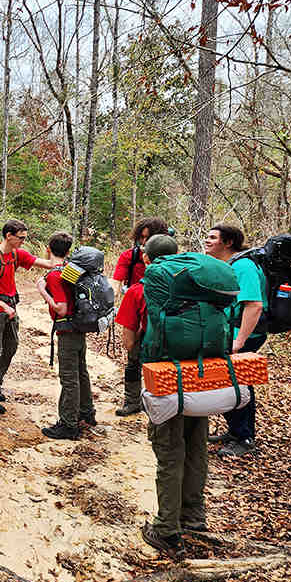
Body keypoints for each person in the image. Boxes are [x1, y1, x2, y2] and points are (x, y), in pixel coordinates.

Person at [119, 235, 207, 561]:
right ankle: (194, 517)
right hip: (202, 374)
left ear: (144, 256)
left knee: (169, 450)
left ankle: (167, 528)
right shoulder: (198, 286)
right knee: (196, 444)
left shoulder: (140, 290)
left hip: (165, 378)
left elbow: (129, 343)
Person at [0, 219, 53, 414]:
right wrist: (3, 306)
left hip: (9, 308)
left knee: (11, 347)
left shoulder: (16, 254)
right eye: (21, 238)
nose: (23, 241)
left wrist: (57, 259)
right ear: (9, 236)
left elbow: (44, 264)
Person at [204, 224, 268, 457]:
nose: (207, 241)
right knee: (227, 382)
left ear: (228, 242)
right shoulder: (229, 265)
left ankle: (245, 438)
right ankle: (235, 431)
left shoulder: (244, 267)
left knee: (239, 383)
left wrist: (238, 342)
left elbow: (254, 305)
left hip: (244, 336)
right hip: (230, 333)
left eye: (213, 237)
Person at [36, 232, 95, 440]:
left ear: (48, 249)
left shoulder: (54, 275)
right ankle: (87, 413)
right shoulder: (71, 271)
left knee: (69, 378)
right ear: (69, 251)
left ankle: (69, 424)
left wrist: (42, 290)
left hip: (67, 330)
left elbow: (60, 308)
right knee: (81, 372)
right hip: (79, 327)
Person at [113, 217, 169, 416]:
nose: (144, 242)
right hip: (137, 310)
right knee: (133, 359)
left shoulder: (171, 260)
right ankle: (132, 401)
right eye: (142, 237)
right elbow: (116, 282)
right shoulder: (130, 256)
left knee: (161, 363)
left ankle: (158, 402)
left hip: (165, 317)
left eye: (149, 238)